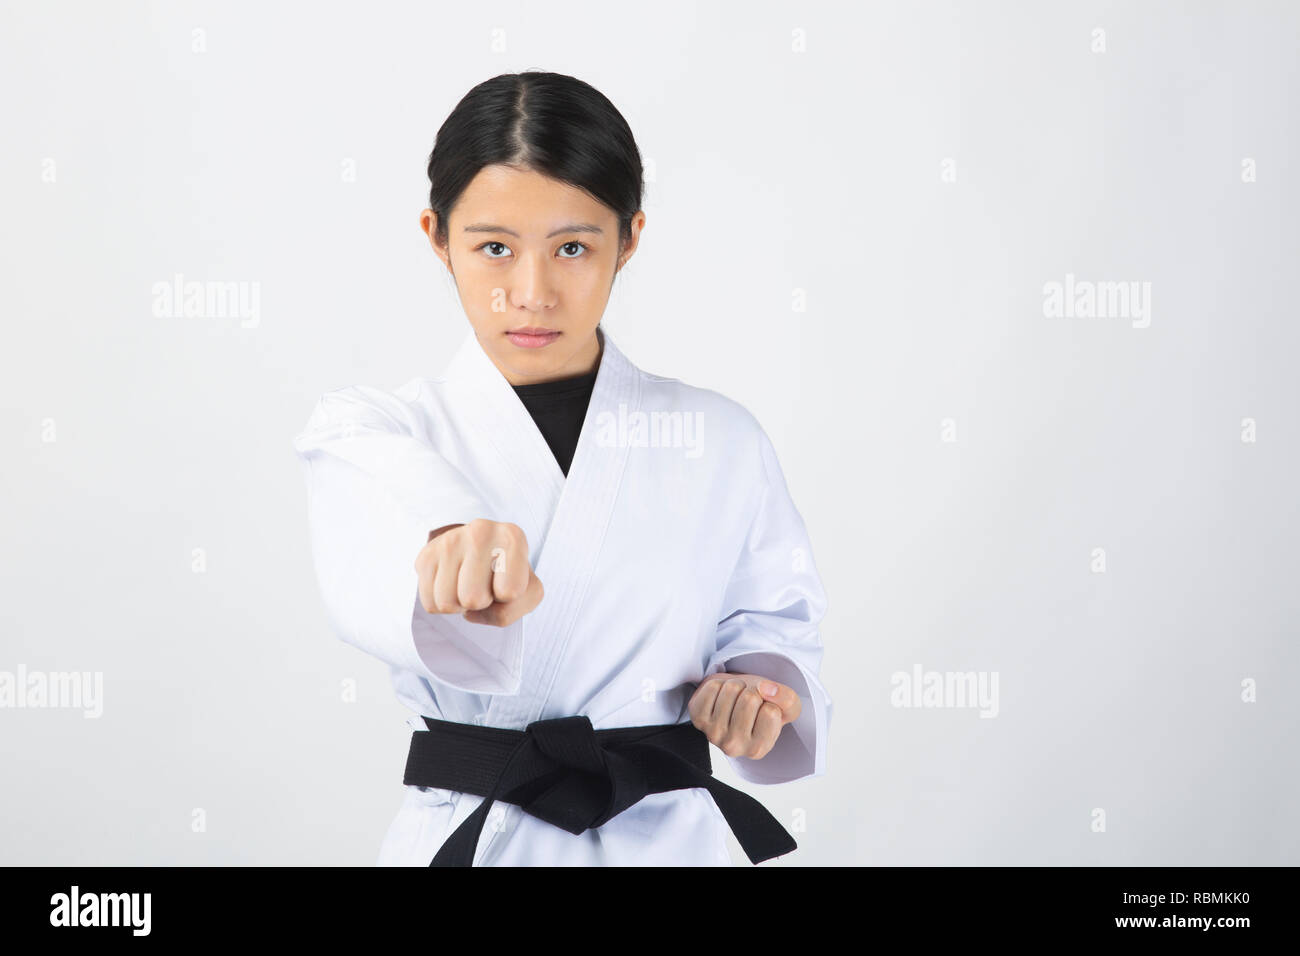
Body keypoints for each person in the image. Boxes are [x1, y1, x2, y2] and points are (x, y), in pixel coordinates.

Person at [292, 71, 831, 866]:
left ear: (631, 238)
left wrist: (754, 696)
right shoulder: (376, 429)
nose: (532, 293)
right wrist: (456, 537)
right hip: (479, 835)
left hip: (672, 841)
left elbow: (775, 637)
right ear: (437, 237)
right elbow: (390, 521)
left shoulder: (722, 439)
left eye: (572, 247)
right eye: (494, 248)